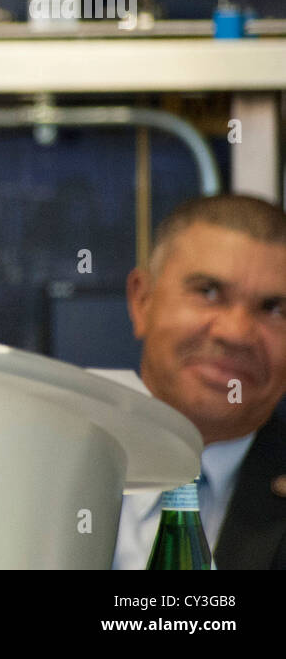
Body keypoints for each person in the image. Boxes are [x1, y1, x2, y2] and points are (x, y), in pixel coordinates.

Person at [113, 194, 286, 569]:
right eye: (208, 292)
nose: (236, 333)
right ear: (142, 300)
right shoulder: (45, 465)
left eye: (274, 309)